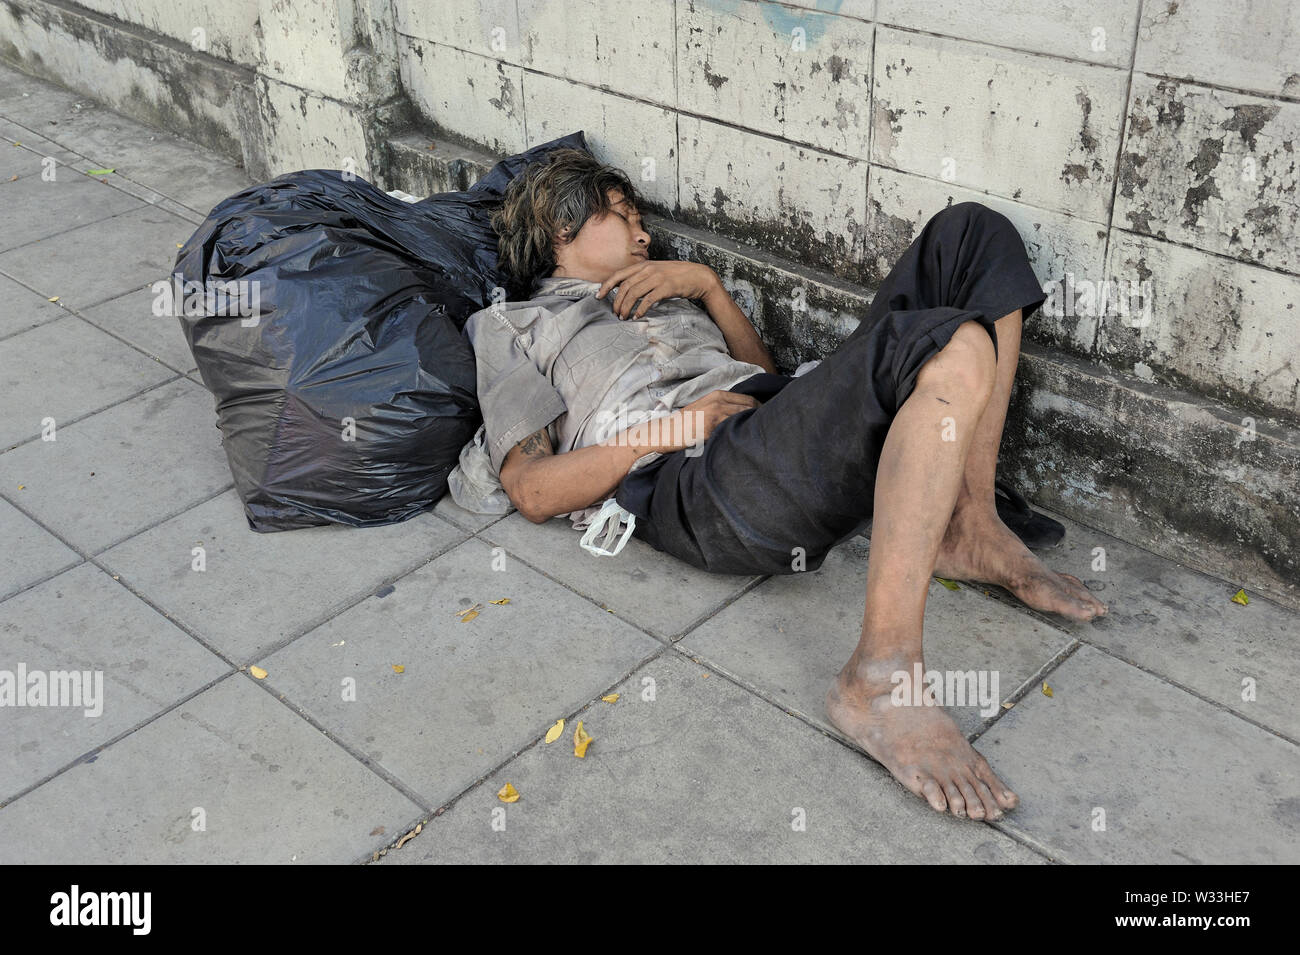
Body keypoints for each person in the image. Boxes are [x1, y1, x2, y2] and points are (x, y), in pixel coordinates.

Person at [465, 148, 1108, 821]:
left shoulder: (664, 285)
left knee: (973, 235)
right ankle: (879, 679)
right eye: (622, 216)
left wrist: (708, 286)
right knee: (953, 345)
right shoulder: (512, 326)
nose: (643, 233)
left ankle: (969, 522)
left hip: (767, 434)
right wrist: (672, 429)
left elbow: (760, 379)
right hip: (695, 484)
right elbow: (532, 488)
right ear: (562, 230)